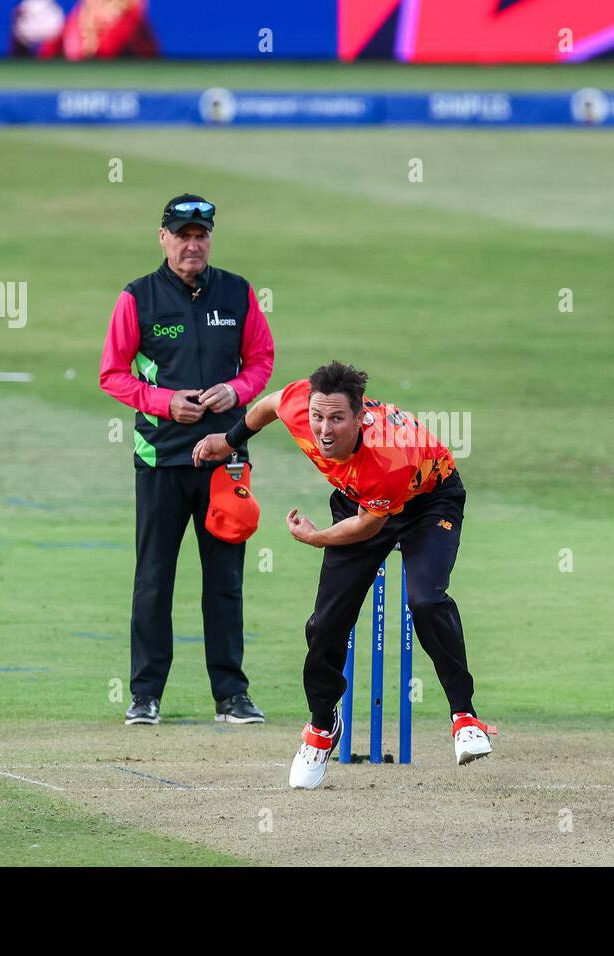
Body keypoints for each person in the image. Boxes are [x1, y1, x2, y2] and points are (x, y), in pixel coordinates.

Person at [194, 362, 493, 789]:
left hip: (428, 501)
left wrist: (317, 538)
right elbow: (270, 404)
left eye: (337, 419)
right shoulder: (301, 406)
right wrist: (229, 440)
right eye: (318, 417)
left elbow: (369, 526)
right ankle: (321, 728)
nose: (323, 429)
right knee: (325, 625)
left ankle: (464, 716)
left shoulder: (386, 453)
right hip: (360, 499)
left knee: (426, 600)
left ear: (360, 417)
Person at [100, 194, 274, 726]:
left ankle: (231, 696)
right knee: (154, 579)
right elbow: (113, 374)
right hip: (161, 460)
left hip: (225, 459)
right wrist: (163, 402)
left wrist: (235, 389)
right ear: (163, 237)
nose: (192, 244)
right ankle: (145, 695)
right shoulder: (138, 298)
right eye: (182, 234)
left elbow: (261, 361)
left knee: (225, 580)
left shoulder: (238, 293)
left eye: (201, 235)